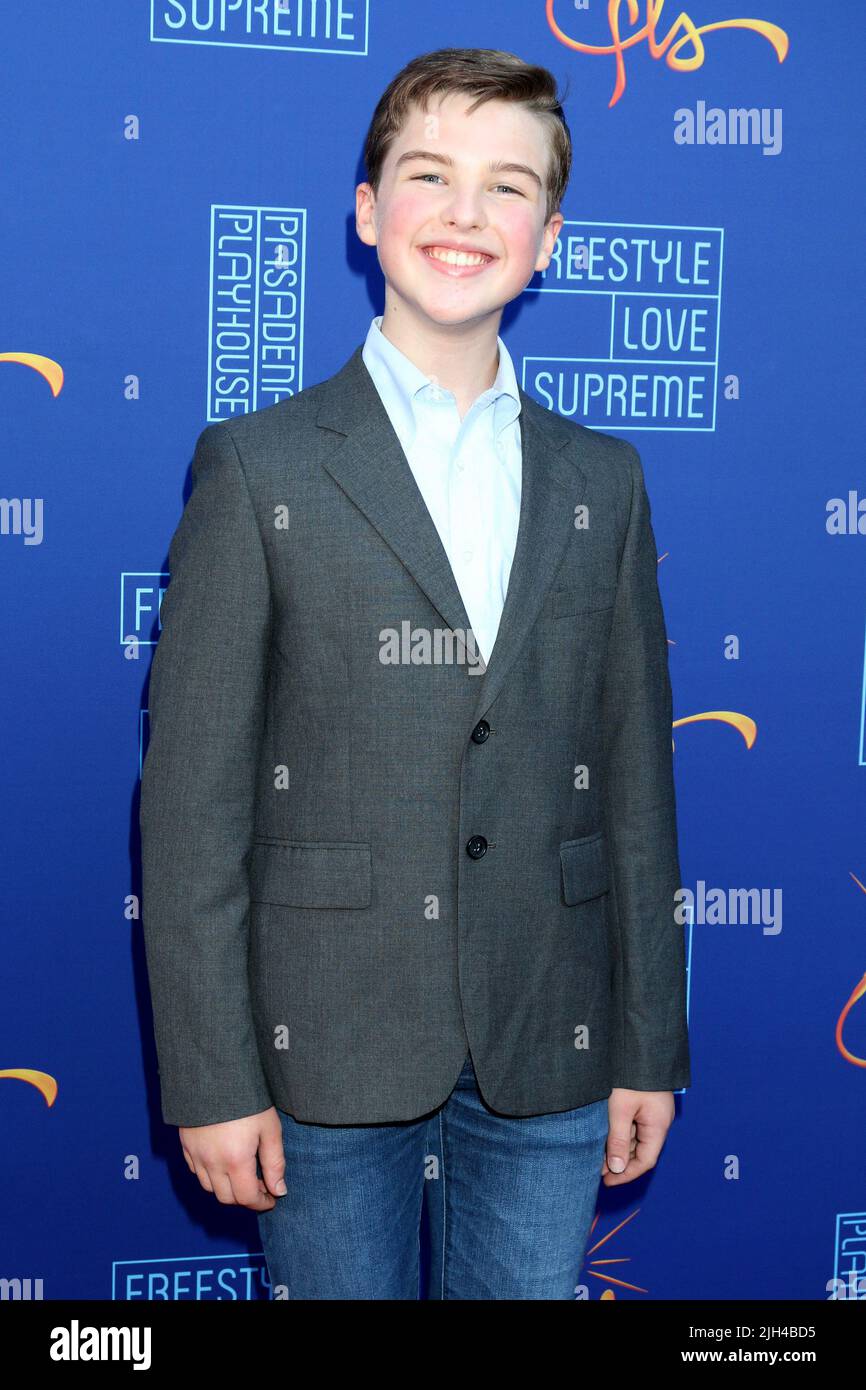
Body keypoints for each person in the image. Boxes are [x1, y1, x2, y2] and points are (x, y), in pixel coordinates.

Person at [139, 47, 691, 1300]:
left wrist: (648, 1042)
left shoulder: (602, 480)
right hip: (320, 1043)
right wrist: (216, 1075)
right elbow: (190, 809)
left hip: (548, 1035)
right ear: (365, 208)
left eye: (507, 187)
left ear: (547, 236)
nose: (462, 212)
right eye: (427, 173)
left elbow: (638, 785)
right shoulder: (256, 467)